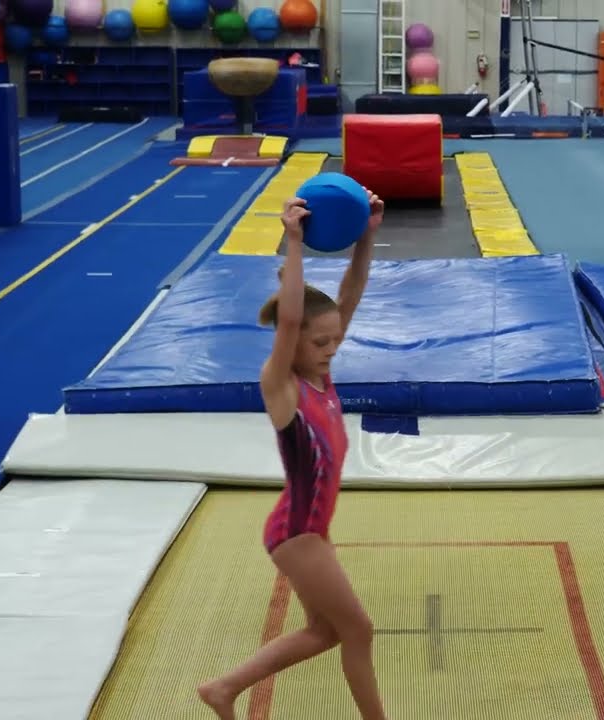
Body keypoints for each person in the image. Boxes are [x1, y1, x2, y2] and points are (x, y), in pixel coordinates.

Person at [198, 187, 388, 720]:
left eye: (336, 342)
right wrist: (294, 241)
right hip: (296, 533)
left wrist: (366, 238)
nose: (331, 351)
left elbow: (351, 290)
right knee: (358, 629)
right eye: (320, 343)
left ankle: (223, 688)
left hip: (308, 528)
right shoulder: (283, 386)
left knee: (324, 631)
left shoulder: (321, 376)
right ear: (295, 342)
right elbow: (288, 320)